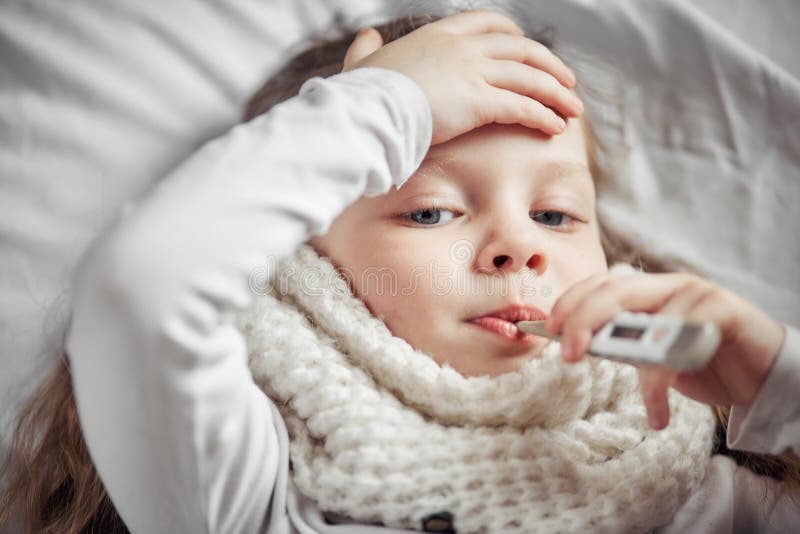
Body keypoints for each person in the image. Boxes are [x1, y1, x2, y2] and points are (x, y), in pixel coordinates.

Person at [1, 8, 799, 534]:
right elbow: (139, 286)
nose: (517, 249)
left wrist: (778, 386)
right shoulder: (254, 486)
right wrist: (383, 105)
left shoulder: (686, 474)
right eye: (429, 212)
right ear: (295, 252)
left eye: (555, 216)